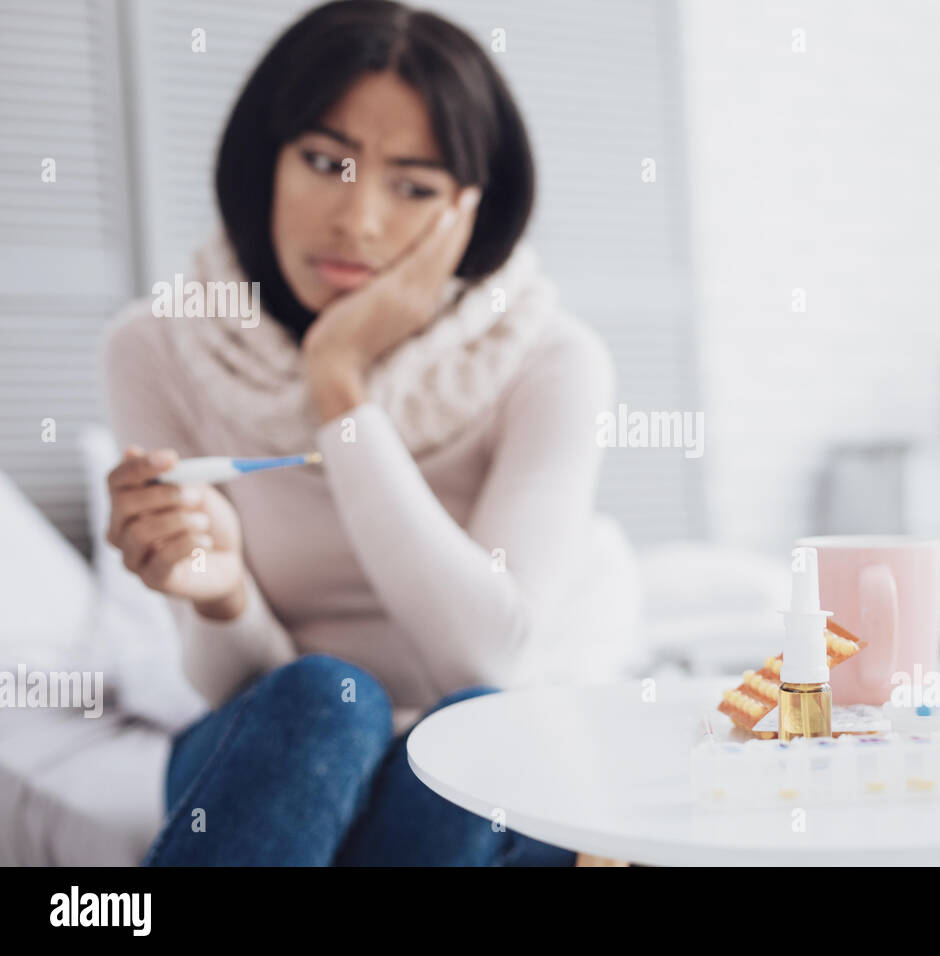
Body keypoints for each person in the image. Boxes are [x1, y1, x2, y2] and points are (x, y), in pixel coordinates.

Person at [99, 0, 633, 866]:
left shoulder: (550, 361)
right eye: (325, 162)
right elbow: (231, 688)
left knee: (478, 732)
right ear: (264, 161)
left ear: (469, 211)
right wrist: (223, 595)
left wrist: (338, 381)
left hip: (470, 762)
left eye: (414, 186)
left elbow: (486, 659)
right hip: (270, 745)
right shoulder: (158, 348)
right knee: (326, 699)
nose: (359, 221)